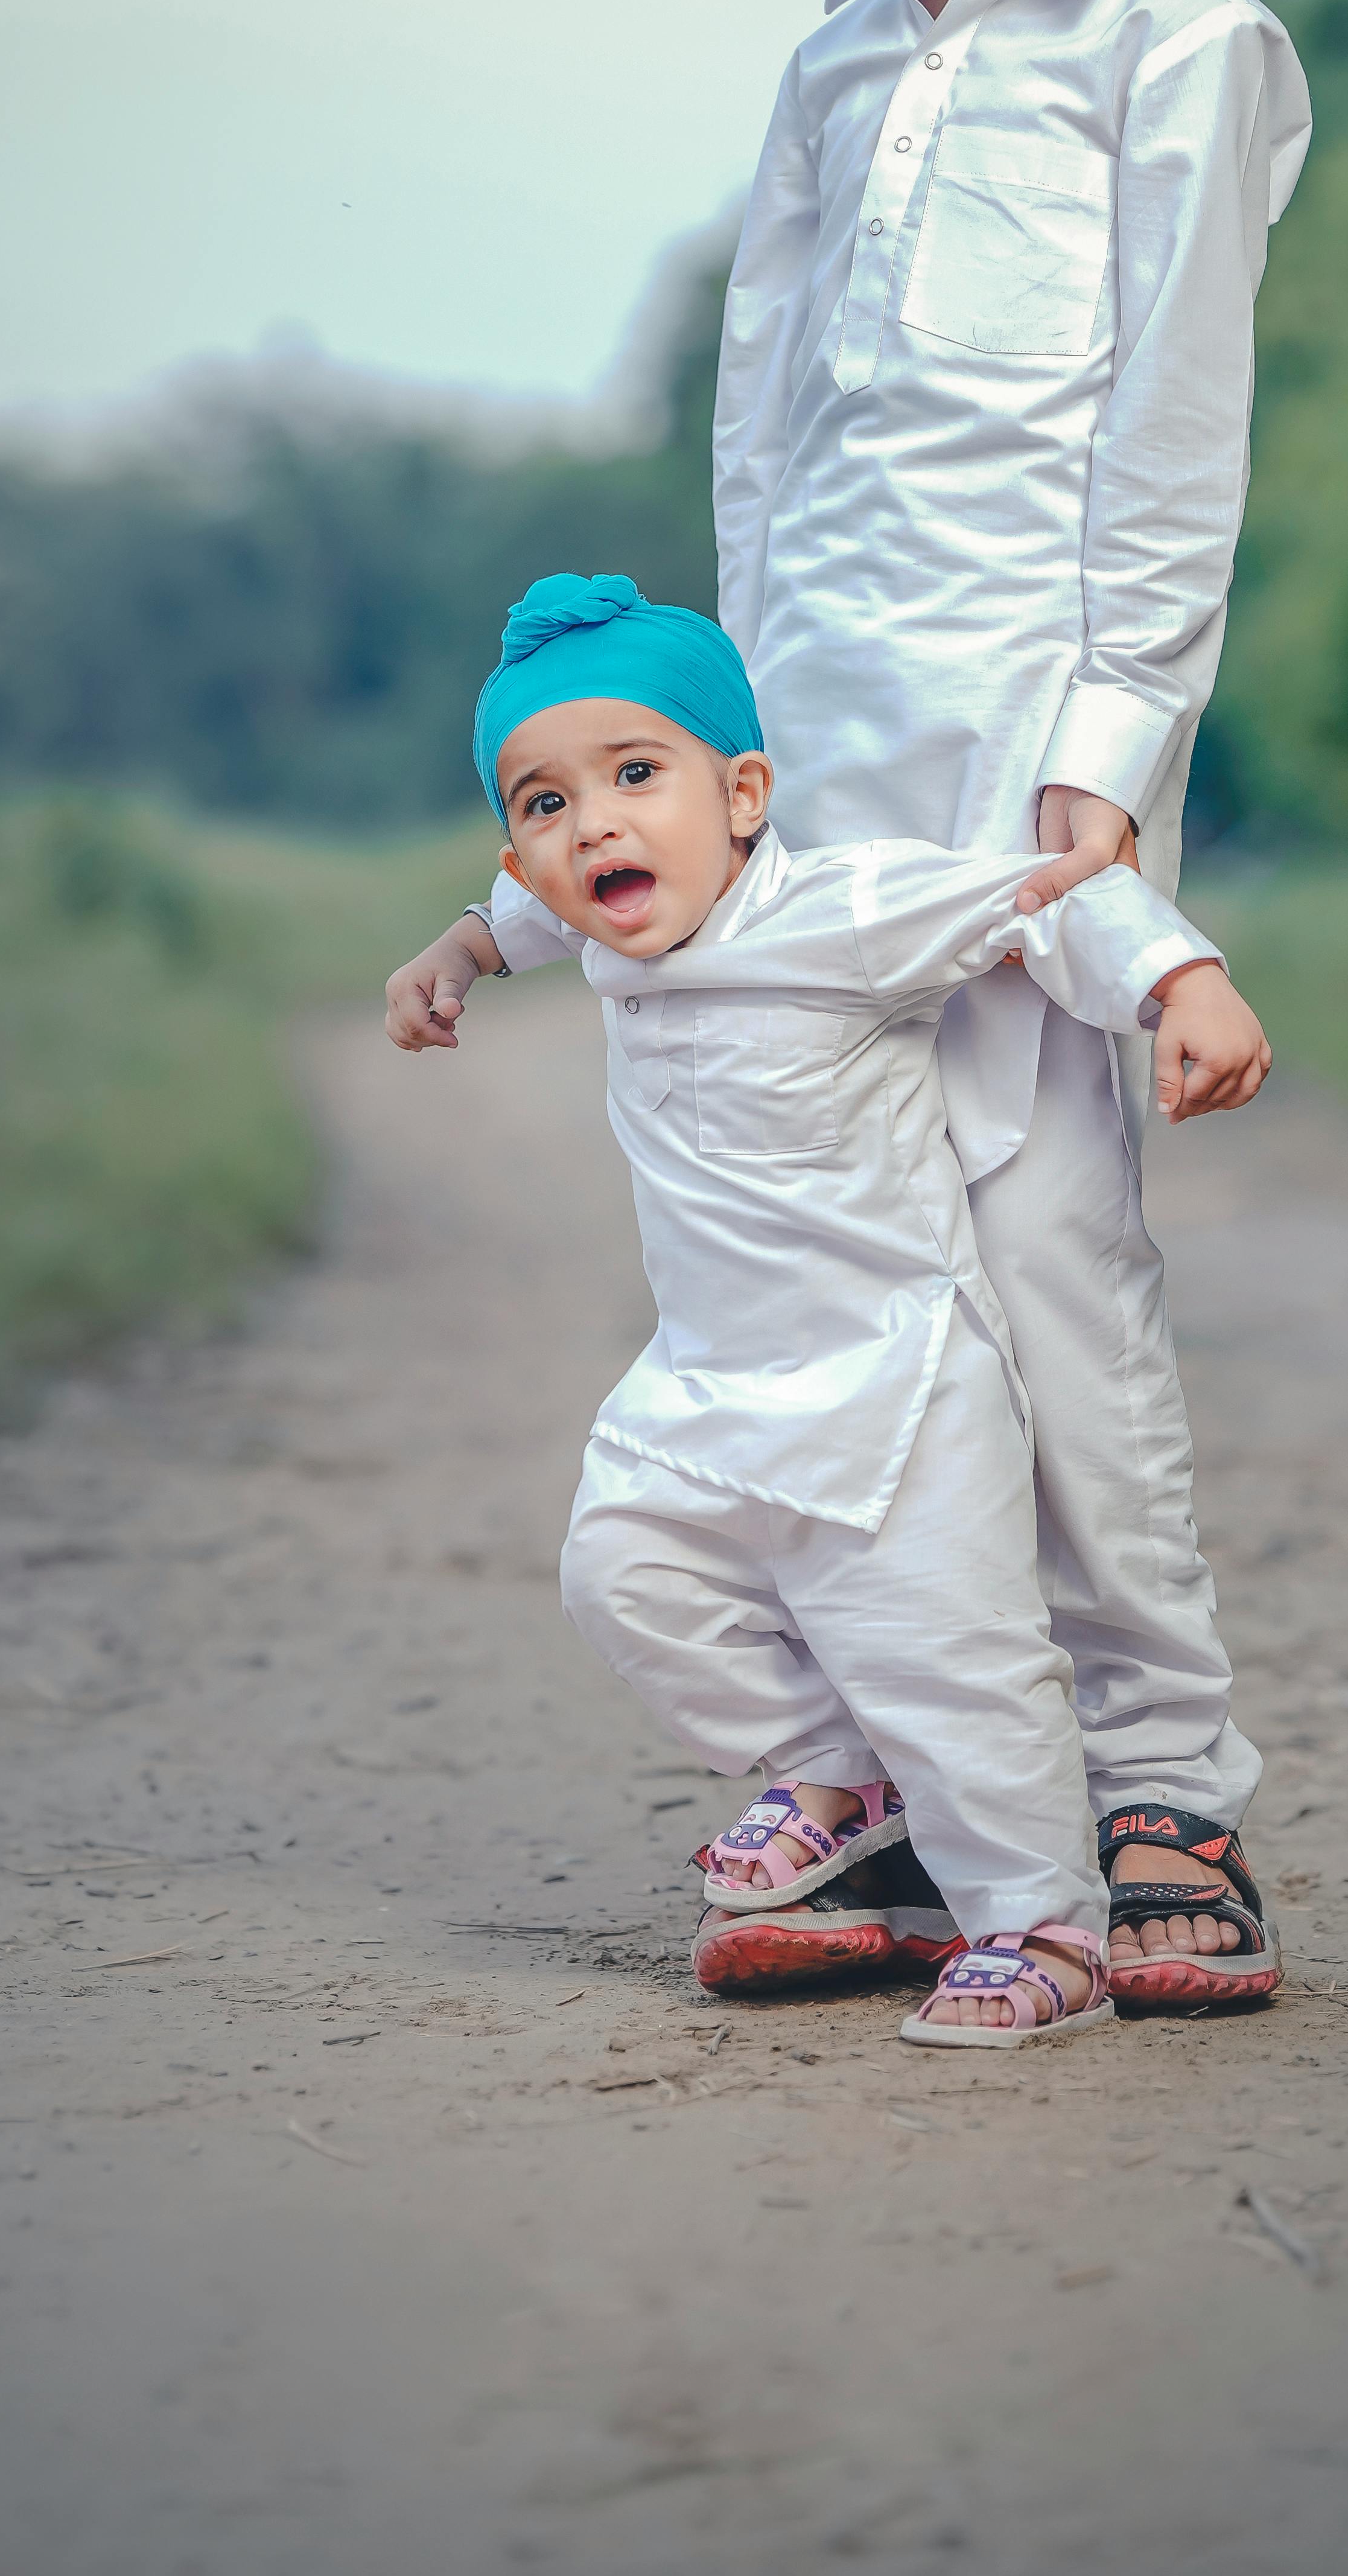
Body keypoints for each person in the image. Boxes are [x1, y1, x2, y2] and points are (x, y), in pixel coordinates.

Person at [391, 0, 1305, 2003]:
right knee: (813, 1296)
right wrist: (713, 748)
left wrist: (1107, 773)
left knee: (1048, 1273)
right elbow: (763, 429)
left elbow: (1172, 454)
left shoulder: (1187, 49)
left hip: (1030, 777)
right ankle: (891, 1787)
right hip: (797, 778)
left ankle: (1163, 1797)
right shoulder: (832, 57)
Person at [389, 569, 1272, 2044]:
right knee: (621, 1570)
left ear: (743, 795)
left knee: (955, 1664)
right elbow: (527, 919)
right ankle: (840, 1776)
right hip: (711, 1387)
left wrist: (1183, 979)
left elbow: (1043, 903)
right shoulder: (605, 924)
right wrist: (462, 949)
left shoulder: (843, 912)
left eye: (633, 774)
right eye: (543, 804)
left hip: (897, 1384)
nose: (593, 822)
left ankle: (1040, 1927)